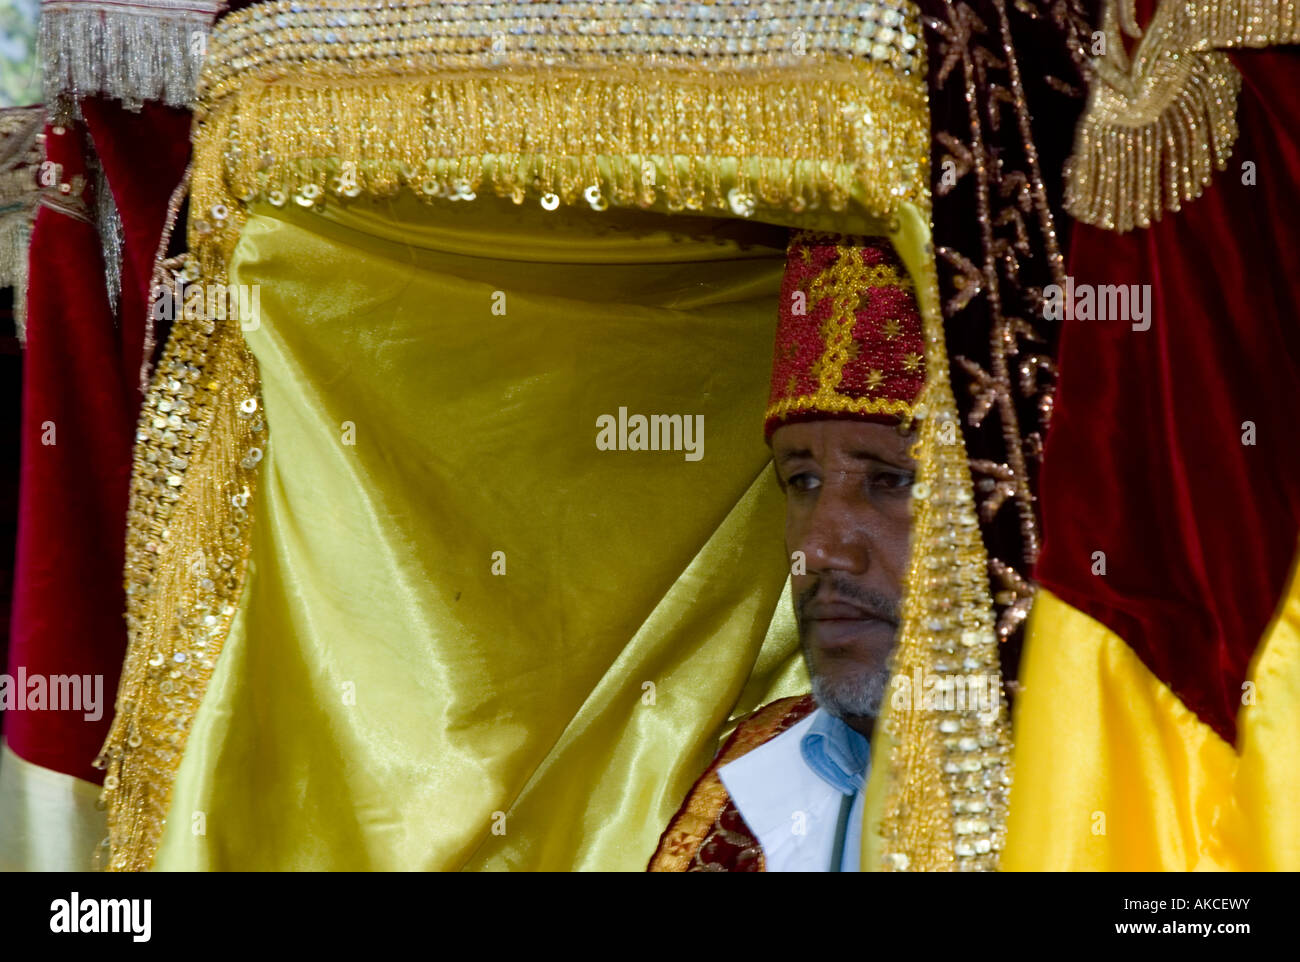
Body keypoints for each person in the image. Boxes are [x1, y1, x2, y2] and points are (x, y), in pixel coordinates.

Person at [649, 232, 929, 872]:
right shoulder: (742, 784)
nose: (821, 549)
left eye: (892, 479)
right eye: (801, 480)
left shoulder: (1159, 793)